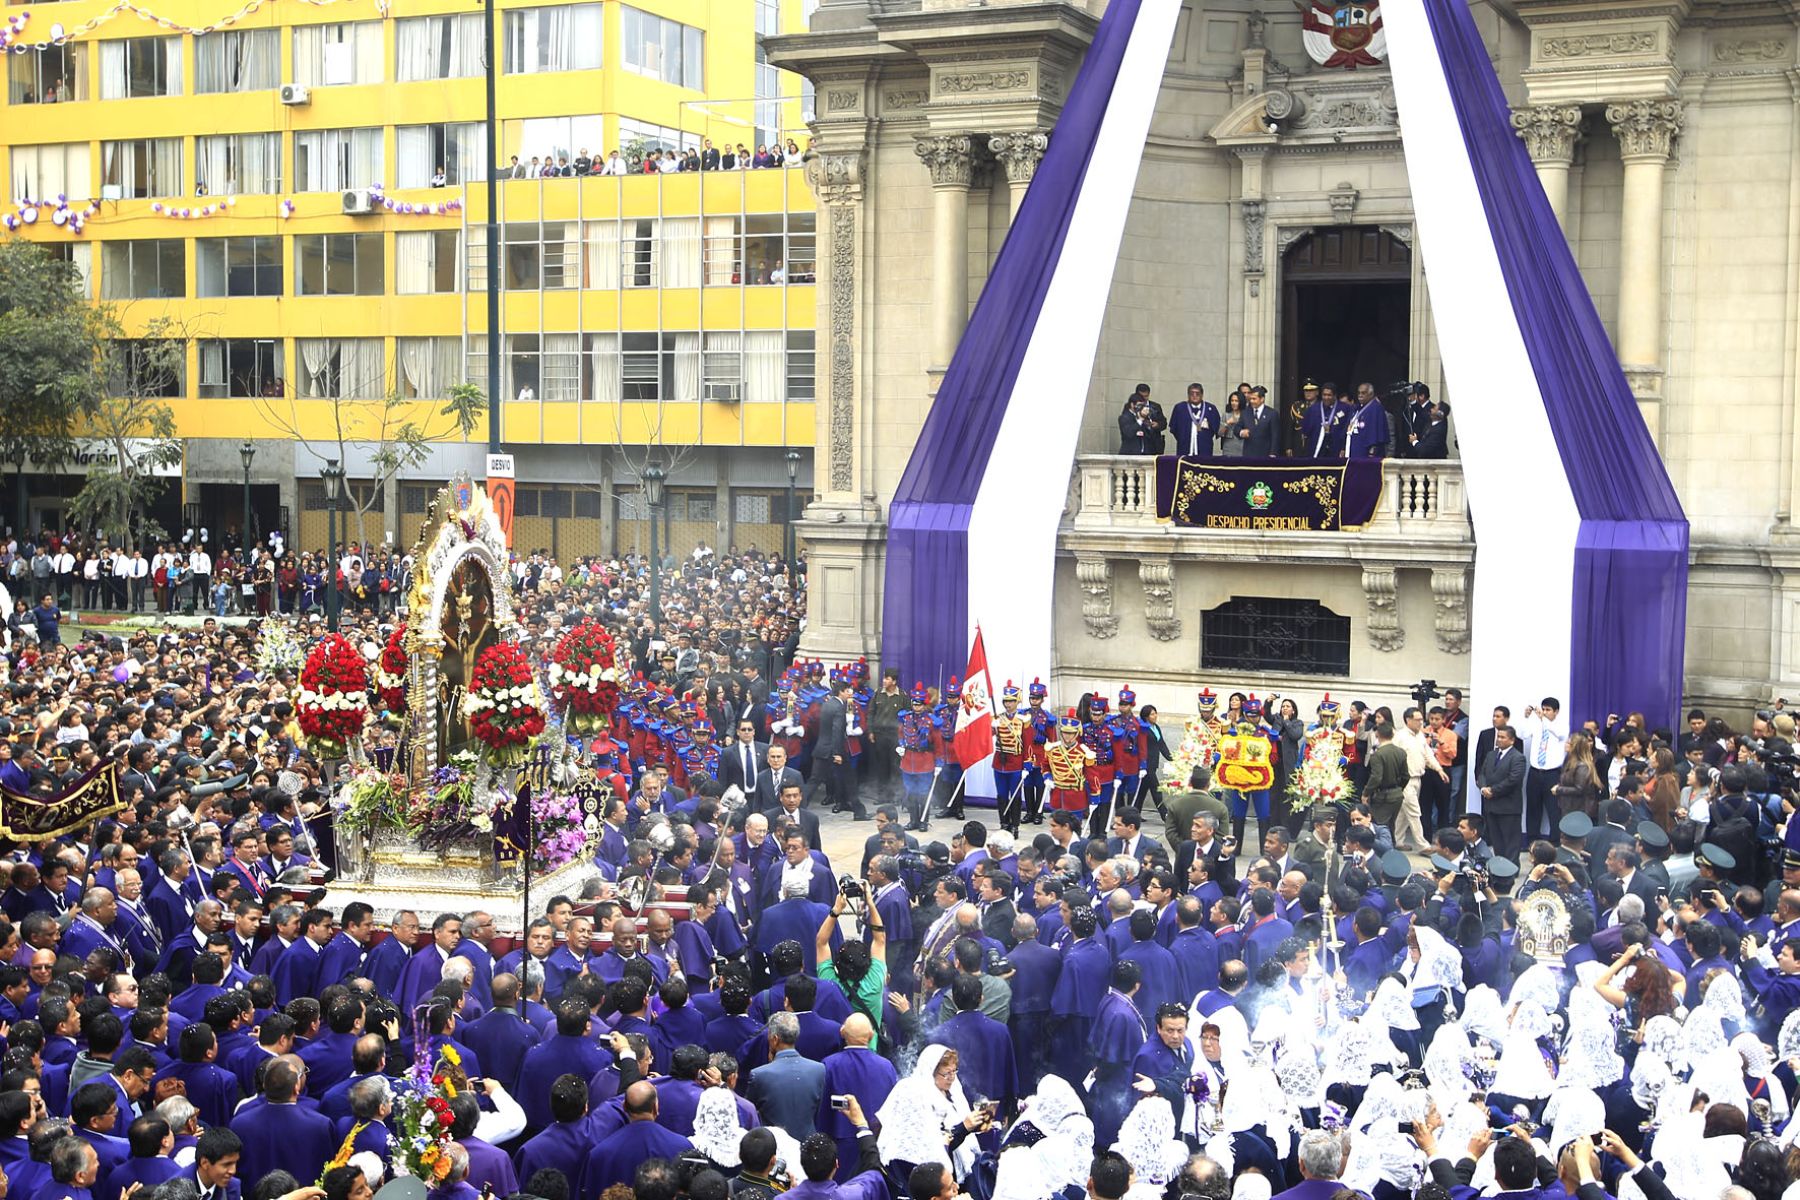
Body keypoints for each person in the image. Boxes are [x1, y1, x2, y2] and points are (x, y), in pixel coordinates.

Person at [1169, 383, 1222, 458]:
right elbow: (1174, 429)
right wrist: (1183, 437)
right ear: (1188, 394)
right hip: (1184, 448)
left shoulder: (1210, 409)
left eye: (1197, 393)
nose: (1194, 396)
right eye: (1192, 393)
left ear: (1202, 395)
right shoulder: (1180, 408)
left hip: (1204, 449)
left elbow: (1217, 429)